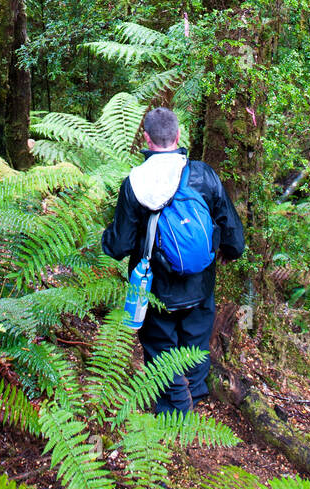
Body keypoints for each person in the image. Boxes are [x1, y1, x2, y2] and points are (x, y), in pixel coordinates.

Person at [102, 106, 245, 415]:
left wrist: (106, 238)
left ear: (146, 138)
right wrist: (232, 251)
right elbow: (231, 228)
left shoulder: (135, 183)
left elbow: (120, 245)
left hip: (156, 286)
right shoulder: (202, 175)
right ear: (178, 136)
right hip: (200, 281)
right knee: (195, 341)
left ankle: (173, 409)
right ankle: (194, 395)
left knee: (160, 344)